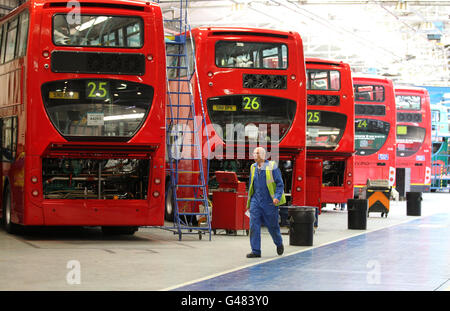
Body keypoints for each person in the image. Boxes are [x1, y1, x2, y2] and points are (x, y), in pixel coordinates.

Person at [246, 147, 286, 258]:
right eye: (253, 153)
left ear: (263, 155)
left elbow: (280, 184)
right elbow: (251, 186)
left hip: (269, 202)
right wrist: (249, 204)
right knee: (254, 226)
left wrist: (277, 197)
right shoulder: (252, 167)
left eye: (257, 153)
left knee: (272, 226)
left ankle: (278, 243)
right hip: (256, 201)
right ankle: (256, 251)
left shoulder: (272, 166)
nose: (254, 155)